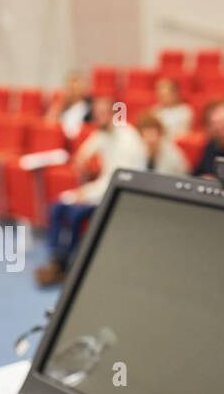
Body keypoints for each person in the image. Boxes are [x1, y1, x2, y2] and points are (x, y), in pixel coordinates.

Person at [34, 110, 150, 287]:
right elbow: (84, 153)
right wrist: (82, 163)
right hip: (97, 188)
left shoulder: (128, 139)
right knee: (56, 207)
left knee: (74, 215)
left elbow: (119, 178)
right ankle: (56, 261)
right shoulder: (103, 133)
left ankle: (67, 265)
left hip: (112, 194)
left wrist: (86, 193)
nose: (97, 118)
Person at [46, 70, 93, 140]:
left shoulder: (87, 109)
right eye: (70, 87)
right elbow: (48, 125)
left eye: (75, 87)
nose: (72, 90)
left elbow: (72, 134)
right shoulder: (62, 107)